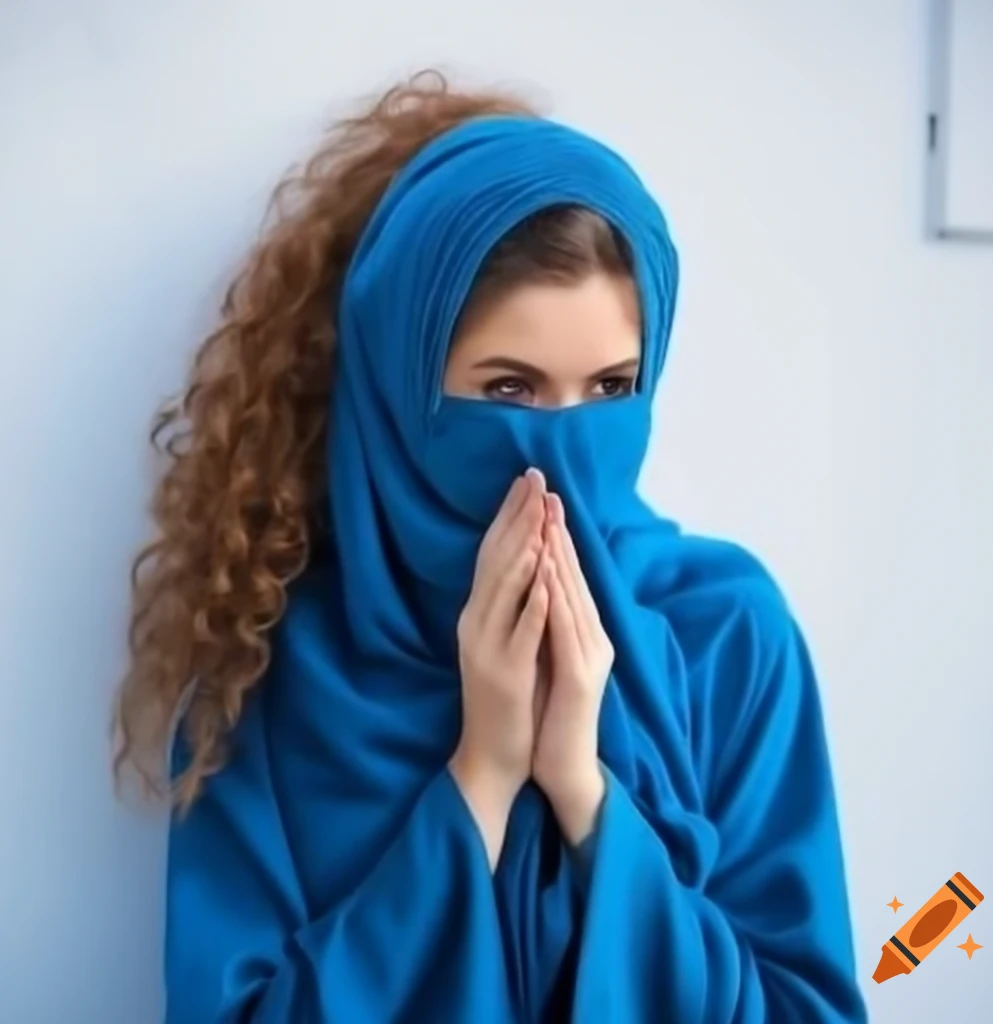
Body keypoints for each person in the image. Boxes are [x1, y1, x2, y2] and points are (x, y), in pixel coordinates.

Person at [113, 70, 867, 1023]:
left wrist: (583, 791)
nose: (558, 450)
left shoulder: (723, 631)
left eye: (608, 389)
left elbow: (809, 1011)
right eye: (508, 390)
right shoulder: (270, 672)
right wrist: (479, 777)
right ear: (403, 388)